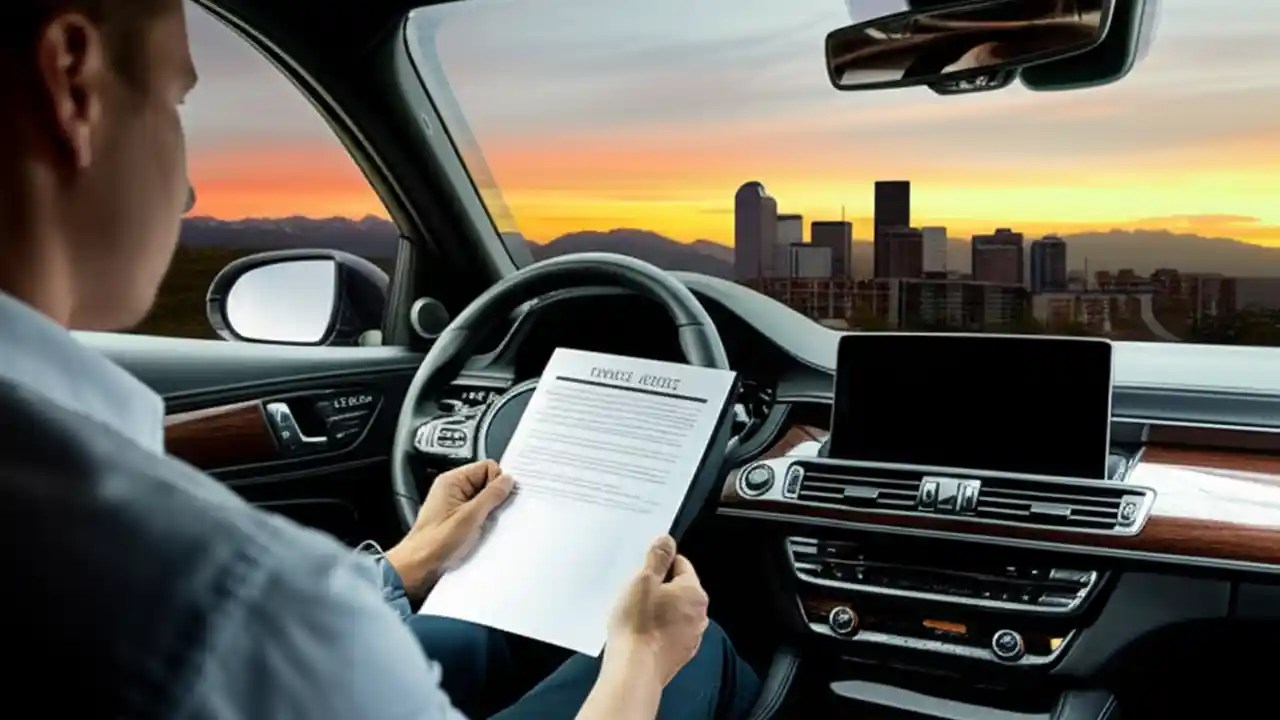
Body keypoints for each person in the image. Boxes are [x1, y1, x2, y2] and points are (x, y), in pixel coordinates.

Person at [0, 1, 760, 718]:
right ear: (73, 79)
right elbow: (265, 624)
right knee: (697, 654)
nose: (191, 191)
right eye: (175, 102)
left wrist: (410, 560)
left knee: (481, 637)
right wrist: (642, 658)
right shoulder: (231, 599)